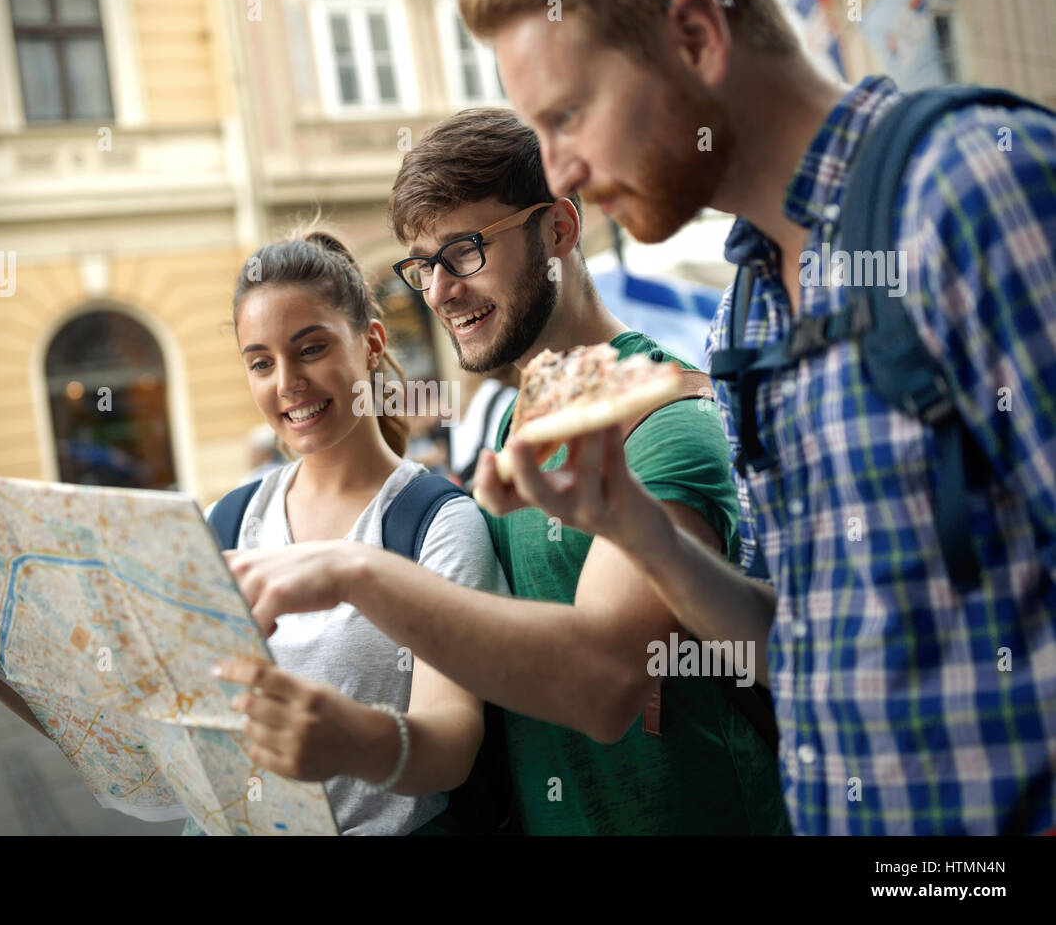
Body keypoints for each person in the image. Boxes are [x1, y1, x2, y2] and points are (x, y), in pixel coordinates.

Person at [451, 0, 1056, 834]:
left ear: (698, 38)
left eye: (568, 115)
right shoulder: (747, 302)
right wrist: (639, 529)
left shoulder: (967, 189)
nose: (560, 171)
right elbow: (798, 649)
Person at [225, 109, 790, 834]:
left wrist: (355, 572)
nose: (438, 291)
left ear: (559, 228)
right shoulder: (510, 418)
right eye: (422, 264)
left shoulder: (665, 421)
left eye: (463, 251)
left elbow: (603, 686)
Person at [0, 230, 507, 835]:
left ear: (372, 345)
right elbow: (141, 741)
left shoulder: (437, 524)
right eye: (260, 362)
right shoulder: (227, 522)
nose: (287, 383)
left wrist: (343, 738)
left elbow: (453, 747)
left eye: (311, 349)